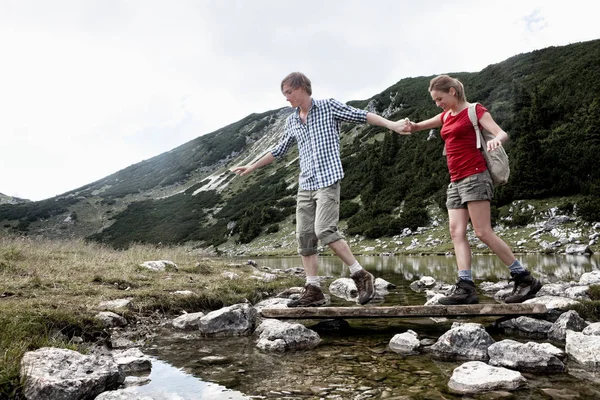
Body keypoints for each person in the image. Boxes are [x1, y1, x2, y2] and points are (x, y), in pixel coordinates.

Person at [231, 72, 409, 307]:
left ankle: (361, 274)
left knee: (324, 229)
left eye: (289, 92)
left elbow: (362, 115)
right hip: (306, 184)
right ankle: (313, 289)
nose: (286, 98)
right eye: (284, 94)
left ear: (302, 87)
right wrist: (252, 166)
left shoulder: (328, 107)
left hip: (328, 180)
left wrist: (391, 125)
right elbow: (279, 149)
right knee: (304, 237)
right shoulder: (292, 121)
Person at [404, 74, 542, 305]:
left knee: (482, 232)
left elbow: (501, 132)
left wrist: (496, 140)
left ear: (452, 91)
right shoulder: (446, 115)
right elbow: (419, 126)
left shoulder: (474, 111)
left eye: (439, 98)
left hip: (475, 176)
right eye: (435, 101)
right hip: (455, 180)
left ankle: (524, 278)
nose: (438, 104)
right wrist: (412, 126)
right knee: (456, 233)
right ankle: (466, 287)